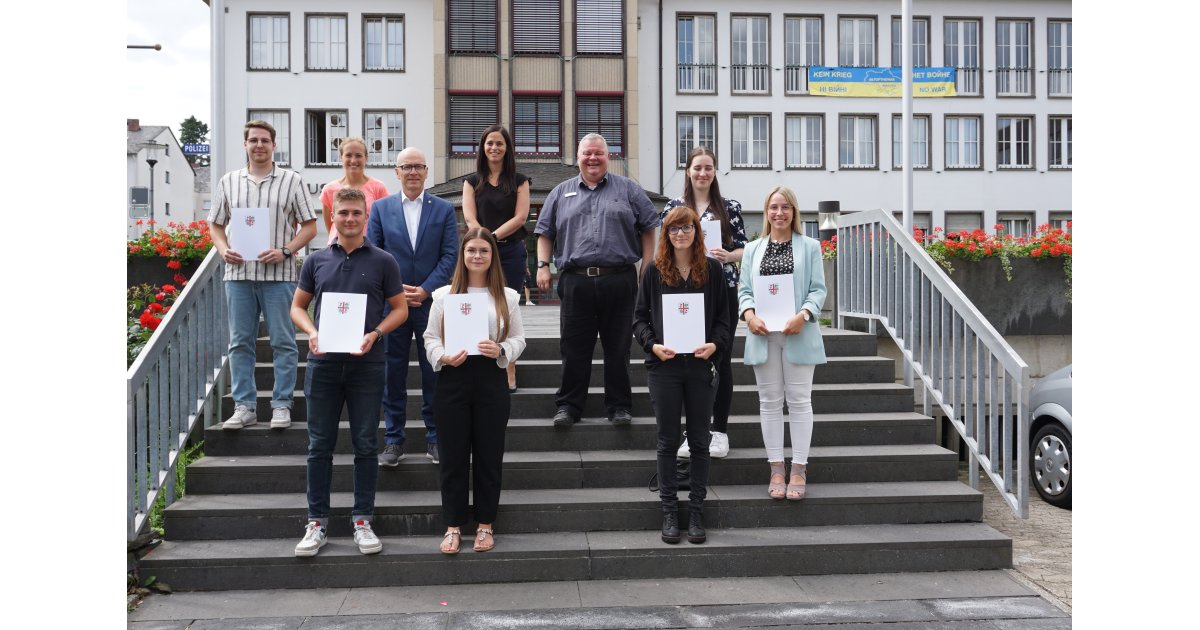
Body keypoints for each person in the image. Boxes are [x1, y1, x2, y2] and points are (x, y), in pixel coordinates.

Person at [289, 188, 409, 557]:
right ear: (333, 218)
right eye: (343, 213)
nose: (350, 219)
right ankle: (317, 522)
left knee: (366, 445)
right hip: (323, 363)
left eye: (357, 213)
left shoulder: (384, 261)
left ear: (366, 217)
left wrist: (375, 333)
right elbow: (297, 307)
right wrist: (311, 332)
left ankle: (362, 520)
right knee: (318, 446)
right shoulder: (316, 261)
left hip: (366, 365)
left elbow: (400, 309)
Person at [534, 133, 661, 427]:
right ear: (578, 157)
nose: (593, 158)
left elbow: (648, 227)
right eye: (587, 153)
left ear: (609, 156)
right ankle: (568, 406)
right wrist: (542, 266)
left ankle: (619, 406)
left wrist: (648, 265)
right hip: (575, 281)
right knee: (573, 347)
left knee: (618, 347)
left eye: (599, 153)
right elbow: (544, 233)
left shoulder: (628, 189)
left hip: (619, 279)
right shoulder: (559, 192)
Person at [208, 119, 318, 431]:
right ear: (245, 145)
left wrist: (285, 250)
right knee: (239, 342)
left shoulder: (291, 181)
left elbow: (309, 225)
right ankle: (244, 406)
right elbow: (215, 224)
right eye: (253, 140)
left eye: (264, 141)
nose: (259, 145)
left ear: (273, 145)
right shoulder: (229, 182)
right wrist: (222, 248)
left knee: (283, 342)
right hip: (238, 273)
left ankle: (281, 405)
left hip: (279, 275)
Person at [424, 227, 526, 554]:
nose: (477, 256)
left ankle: (485, 524)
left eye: (484, 250)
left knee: (488, 457)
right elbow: (430, 338)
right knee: (453, 457)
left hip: (490, 380)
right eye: (471, 251)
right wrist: (441, 356)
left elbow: (519, 339)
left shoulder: (507, 297)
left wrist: (502, 350)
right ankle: (453, 526)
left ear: (492, 255)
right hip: (453, 377)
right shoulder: (443, 296)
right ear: (463, 255)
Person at [633, 206, 730, 545]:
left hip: (701, 366)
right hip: (665, 367)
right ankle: (671, 511)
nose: (680, 234)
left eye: (686, 227)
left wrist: (714, 346)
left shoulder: (714, 271)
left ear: (696, 231)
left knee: (700, 441)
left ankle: (698, 512)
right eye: (673, 229)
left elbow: (724, 320)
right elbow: (639, 320)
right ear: (666, 234)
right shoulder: (654, 271)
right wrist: (653, 345)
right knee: (667, 439)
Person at [367, 147, 459, 467]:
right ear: (396, 172)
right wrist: (395, 292)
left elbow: (450, 256)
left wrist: (425, 289)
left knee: (435, 372)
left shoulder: (444, 209)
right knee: (393, 374)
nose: (413, 172)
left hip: (430, 305)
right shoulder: (380, 209)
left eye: (419, 166)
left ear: (426, 171)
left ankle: (435, 438)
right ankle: (394, 440)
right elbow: (373, 254)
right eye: (406, 167)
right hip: (393, 308)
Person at [737, 186, 827, 501]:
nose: (779, 213)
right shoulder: (752, 249)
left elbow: (818, 290)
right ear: (766, 212)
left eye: (785, 207)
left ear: (794, 212)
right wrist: (749, 316)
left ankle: (799, 469)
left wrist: (804, 315)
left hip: (798, 332)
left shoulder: (810, 246)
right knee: (769, 403)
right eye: (774, 207)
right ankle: (777, 468)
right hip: (763, 335)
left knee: (800, 402)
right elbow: (744, 290)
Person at [663, 147, 747, 460]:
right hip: (685, 293)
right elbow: (665, 247)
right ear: (688, 171)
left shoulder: (729, 207)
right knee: (689, 361)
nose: (703, 173)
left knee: (720, 361)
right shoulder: (675, 206)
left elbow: (744, 249)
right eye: (697, 167)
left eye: (708, 168)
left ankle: (720, 431)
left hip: (722, 289)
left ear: (714, 172)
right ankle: (693, 432)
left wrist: (729, 255)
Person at [462, 125, 531, 392]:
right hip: (478, 252)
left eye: (499, 143)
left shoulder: (520, 180)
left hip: (510, 251)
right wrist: (483, 243)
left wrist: (492, 237)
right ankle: (474, 358)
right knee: (477, 305)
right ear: (482, 147)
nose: (494, 148)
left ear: (507, 148)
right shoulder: (471, 181)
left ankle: (508, 365)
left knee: (506, 308)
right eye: (489, 143)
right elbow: (469, 218)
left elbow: (521, 217)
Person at [320, 137, 389, 246]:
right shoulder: (329, 190)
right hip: (338, 250)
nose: (353, 160)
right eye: (348, 155)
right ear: (341, 157)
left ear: (366, 158)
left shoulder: (378, 188)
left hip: (368, 251)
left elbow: (385, 224)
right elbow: (331, 225)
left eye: (358, 155)